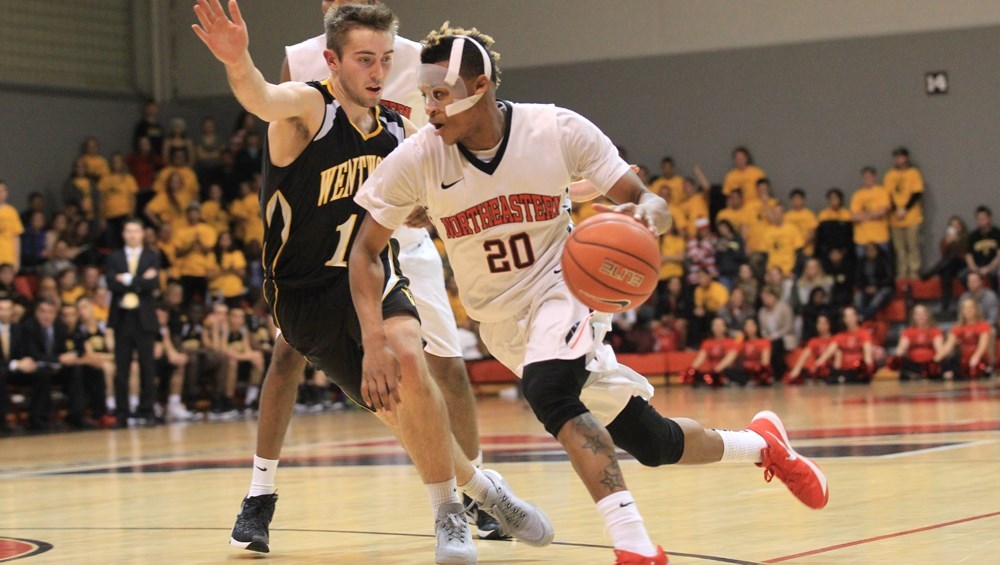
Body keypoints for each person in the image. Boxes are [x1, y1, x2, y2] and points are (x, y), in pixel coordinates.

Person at [353, 23, 828, 564]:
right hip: (503, 325)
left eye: (441, 96)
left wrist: (644, 214)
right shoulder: (419, 159)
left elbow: (650, 201)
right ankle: (765, 445)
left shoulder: (555, 130)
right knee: (654, 442)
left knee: (549, 392)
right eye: (425, 97)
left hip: (565, 287)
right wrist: (372, 337)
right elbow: (364, 252)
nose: (429, 110)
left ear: (479, 87)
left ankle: (634, 547)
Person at [191, 2, 548, 561]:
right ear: (333, 60)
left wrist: (424, 211)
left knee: (411, 359)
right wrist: (238, 64)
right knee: (398, 410)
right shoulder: (311, 106)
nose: (377, 73)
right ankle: (482, 489)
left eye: (384, 59)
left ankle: (448, 515)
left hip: (369, 273)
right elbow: (262, 97)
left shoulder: (393, 128)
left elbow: (424, 193)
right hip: (305, 293)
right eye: (363, 60)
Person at [280, 0, 494, 540]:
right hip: (330, 237)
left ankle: (478, 493)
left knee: (444, 363)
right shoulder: (300, 60)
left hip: (401, 227)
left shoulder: (422, 58)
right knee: (287, 356)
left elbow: (446, 134)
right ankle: (259, 493)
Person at [106, 218, 161, 426]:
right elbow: (112, 283)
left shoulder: (151, 257)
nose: (132, 235)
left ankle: (147, 409)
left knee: (148, 367)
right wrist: (139, 280)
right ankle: (122, 411)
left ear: (142, 234)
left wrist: (127, 279)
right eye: (128, 231)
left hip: (144, 318)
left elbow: (152, 284)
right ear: (123, 234)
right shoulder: (114, 257)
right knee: (122, 367)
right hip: (122, 318)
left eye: (135, 231)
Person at [884, 147, 924, 278]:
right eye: (896, 157)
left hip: (912, 216)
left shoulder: (913, 173)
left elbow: (917, 193)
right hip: (895, 218)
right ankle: (902, 273)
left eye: (900, 157)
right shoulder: (890, 175)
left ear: (906, 158)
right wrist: (896, 210)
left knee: (912, 246)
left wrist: (905, 209)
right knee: (899, 249)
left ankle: (914, 272)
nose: (898, 159)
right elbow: (888, 195)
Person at [920, 215, 968, 314]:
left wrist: (956, 243)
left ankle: (930, 273)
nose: (955, 228)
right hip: (950, 267)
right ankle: (945, 305)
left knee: (953, 256)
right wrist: (948, 243)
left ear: (961, 227)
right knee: (945, 271)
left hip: (962, 265)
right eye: (952, 226)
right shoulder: (945, 240)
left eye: (957, 226)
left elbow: (966, 254)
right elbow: (944, 256)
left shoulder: (966, 238)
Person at [816, 306, 874, 384]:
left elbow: (868, 353)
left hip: (858, 371)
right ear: (844, 319)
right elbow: (828, 353)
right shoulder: (840, 336)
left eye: (851, 316)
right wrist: (817, 366)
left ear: (856, 317)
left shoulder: (864, 333)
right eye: (846, 316)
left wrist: (868, 368)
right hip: (843, 371)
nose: (849, 319)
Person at [940, 299, 992, 380]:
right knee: (946, 373)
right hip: (962, 361)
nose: (968, 310)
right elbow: (948, 346)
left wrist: (976, 357)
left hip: (979, 360)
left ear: (976, 310)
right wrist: (936, 359)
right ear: (962, 311)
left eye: (971, 308)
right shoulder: (957, 327)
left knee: (977, 370)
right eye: (965, 308)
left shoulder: (983, 325)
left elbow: (983, 345)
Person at [889, 305, 945, 380]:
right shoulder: (908, 331)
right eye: (917, 314)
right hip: (913, 364)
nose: (920, 316)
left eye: (923, 313)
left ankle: (925, 374)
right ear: (913, 316)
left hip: (930, 364)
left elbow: (940, 351)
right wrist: (897, 358)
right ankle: (915, 375)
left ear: (928, 315)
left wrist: (932, 363)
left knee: (941, 364)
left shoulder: (935, 331)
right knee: (900, 364)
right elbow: (901, 348)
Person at [685, 316, 739, 387]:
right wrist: (692, 369)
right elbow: (700, 357)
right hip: (712, 373)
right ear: (712, 327)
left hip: (725, 371)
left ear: (724, 327)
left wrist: (718, 369)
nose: (717, 328)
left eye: (720, 325)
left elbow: (730, 357)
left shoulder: (730, 342)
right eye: (715, 325)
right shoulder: (707, 342)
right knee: (698, 377)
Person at [850, 166, 890, 257]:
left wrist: (863, 215)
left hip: (880, 237)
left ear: (874, 177)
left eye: (869, 176)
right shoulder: (857, 195)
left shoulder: (882, 192)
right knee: (861, 265)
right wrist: (874, 214)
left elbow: (883, 212)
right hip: (862, 238)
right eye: (865, 177)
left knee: (884, 264)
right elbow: (854, 216)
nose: (867, 179)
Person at [787, 313, 835, 384]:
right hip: (817, 370)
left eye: (823, 323)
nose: (820, 326)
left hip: (831, 369)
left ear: (828, 325)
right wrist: (796, 369)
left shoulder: (834, 339)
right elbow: (805, 355)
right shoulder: (814, 341)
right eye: (818, 323)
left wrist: (817, 365)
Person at [964, 206, 1000, 288]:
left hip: (993, 266)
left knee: (993, 276)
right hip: (978, 266)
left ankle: (993, 298)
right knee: (962, 275)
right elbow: (968, 255)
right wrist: (974, 268)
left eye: (984, 218)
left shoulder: (997, 233)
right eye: (979, 219)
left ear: (989, 218)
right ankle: (973, 296)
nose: (981, 221)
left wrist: (989, 268)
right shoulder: (973, 236)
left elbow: (999, 255)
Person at [0, 181, 25, 272]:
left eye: (3, 190)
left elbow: (16, 237)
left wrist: (17, 260)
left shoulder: (12, 212)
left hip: (8, 257)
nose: (1, 193)